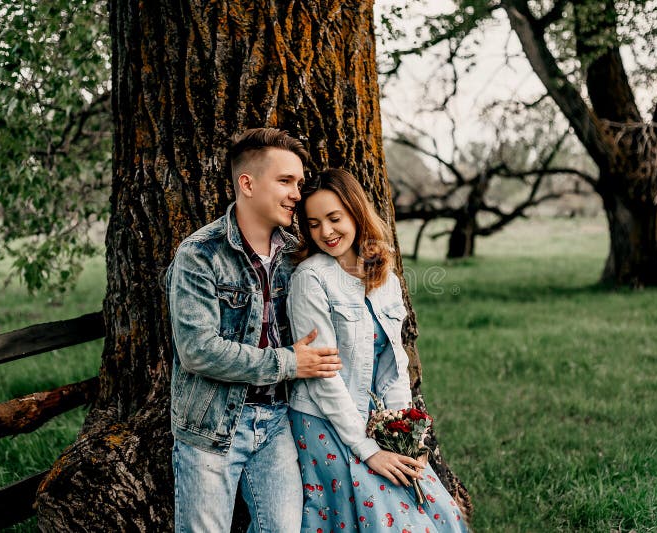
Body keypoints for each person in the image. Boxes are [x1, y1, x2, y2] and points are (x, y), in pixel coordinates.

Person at [166, 128, 342, 533]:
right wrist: (289, 362)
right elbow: (198, 350)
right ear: (247, 183)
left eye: (298, 182)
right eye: (285, 181)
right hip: (210, 424)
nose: (297, 193)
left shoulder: (296, 254)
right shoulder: (200, 253)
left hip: (277, 421)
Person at [287, 168, 468, 532]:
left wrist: (404, 434)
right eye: (314, 223)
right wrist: (368, 449)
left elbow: (396, 365)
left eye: (335, 218)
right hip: (327, 419)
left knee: (439, 511)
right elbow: (324, 377)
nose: (326, 232)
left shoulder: (384, 277)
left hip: (376, 419)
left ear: (356, 212)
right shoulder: (310, 279)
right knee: (392, 519)